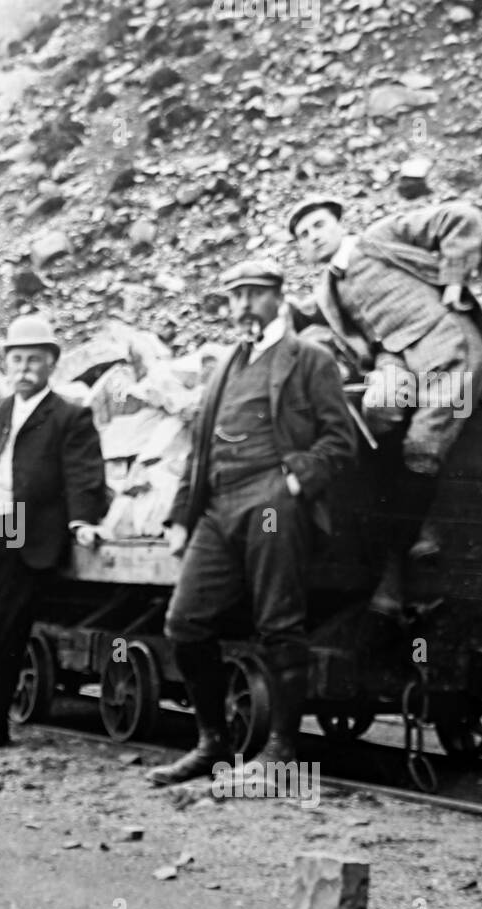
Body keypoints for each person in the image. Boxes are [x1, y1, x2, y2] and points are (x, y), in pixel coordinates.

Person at [147, 259, 357, 786]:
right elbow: (199, 449)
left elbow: (339, 442)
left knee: (278, 621)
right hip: (219, 504)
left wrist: (291, 485)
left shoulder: (308, 358)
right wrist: (180, 515)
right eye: (235, 295)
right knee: (185, 622)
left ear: (279, 299)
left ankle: (283, 750)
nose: (243, 304)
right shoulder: (223, 366)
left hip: (272, 499)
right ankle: (212, 744)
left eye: (255, 294)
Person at [287, 195, 482, 626]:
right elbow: (310, 327)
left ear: (340, 225)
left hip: (444, 342)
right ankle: (418, 528)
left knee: (425, 440)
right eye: (303, 236)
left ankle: (405, 555)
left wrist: (454, 283)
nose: (313, 237)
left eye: (319, 225)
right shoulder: (327, 290)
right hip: (396, 360)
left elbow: (461, 216)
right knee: (375, 412)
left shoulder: (381, 238)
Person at [0, 314, 108, 754]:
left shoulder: (69, 416)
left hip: (23, 531)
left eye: (34, 360)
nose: (24, 369)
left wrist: (82, 522)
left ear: (52, 364)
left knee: (8, 630)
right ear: (5, 364)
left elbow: (83, 475)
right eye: (16, 360)